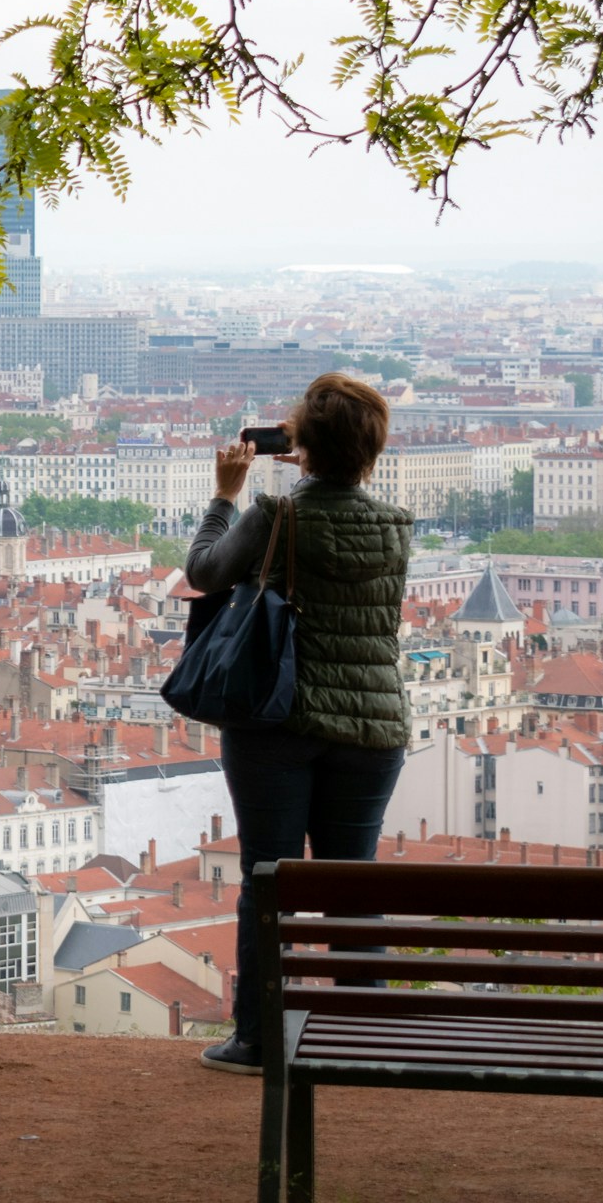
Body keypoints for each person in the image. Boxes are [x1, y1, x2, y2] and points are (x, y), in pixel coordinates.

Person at [187, 371, 414, 1074]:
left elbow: (203, 572)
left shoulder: (275, 516)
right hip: (371, 725)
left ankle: (257, 1037)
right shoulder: (392, 529)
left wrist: (226, 496)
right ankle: (365, 1037)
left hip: (276, 722)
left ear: (302, 443)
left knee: (269, 879)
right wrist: (323, 466)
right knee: (353, 883)